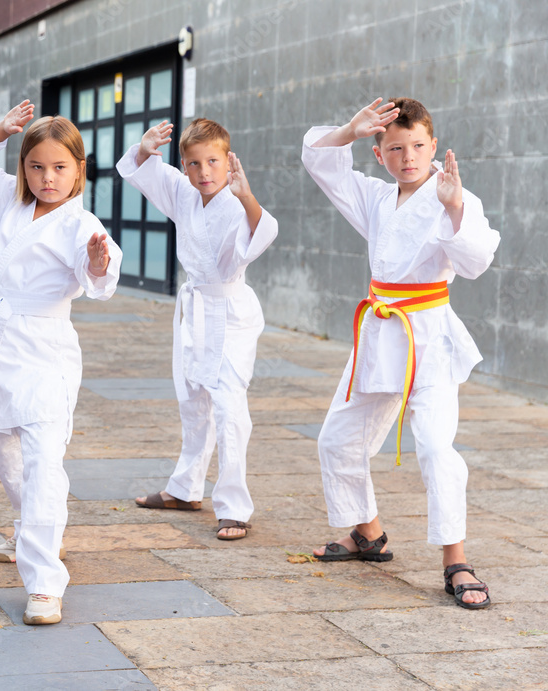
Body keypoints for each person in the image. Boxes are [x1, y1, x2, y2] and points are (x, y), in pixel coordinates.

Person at [302, 98, 500, 609]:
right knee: (337, 439)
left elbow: (476, 261)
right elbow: (320, 161)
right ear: (379, 153)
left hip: (427, 336)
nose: (408, 157)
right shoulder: (374, 197)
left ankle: (455, 560)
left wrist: (455, 207)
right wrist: (348, 127)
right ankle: (368, 533)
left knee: (436, 447)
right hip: (379, 330)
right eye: (395, 148)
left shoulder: (452, 194)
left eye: (417, 146)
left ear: (434, 146)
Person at [0, 100, 121, 625]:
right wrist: (0, 131)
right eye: (36, 166)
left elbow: (98, 271)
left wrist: (96, 264)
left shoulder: (81, 223)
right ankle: (30, 530)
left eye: (60, 167)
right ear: (23, 168)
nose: (47, 178)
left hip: (46, 348)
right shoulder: (10, 202)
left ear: (78, 170)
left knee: (44, 461)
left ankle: (45, 583)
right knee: (3, 450)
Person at [118, 119, 278, 540]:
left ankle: (234, 506)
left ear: (229, 162)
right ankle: (185, 489)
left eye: (212, 162)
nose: (204, 172)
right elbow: (141, 171)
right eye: (194, 163)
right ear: (184, 166)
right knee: (192, 400)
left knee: (229, 407)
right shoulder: (184, 193)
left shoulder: (237, 200)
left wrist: (248, 199)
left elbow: (264, 232)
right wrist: (144, 148)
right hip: (195, 311)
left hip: (230, 312)